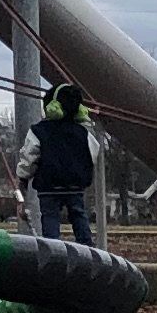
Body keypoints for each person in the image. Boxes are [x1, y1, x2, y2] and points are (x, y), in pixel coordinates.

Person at [29, 82, 101, 247]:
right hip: (75, 185)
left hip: (48, 186)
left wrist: (24, 177)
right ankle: (87, 246)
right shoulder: (83, 132)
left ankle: (52, 248)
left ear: (52, 107)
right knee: (78, 214)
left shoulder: (39, 131)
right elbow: (93, 153)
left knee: (49, 217)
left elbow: (29, 156)